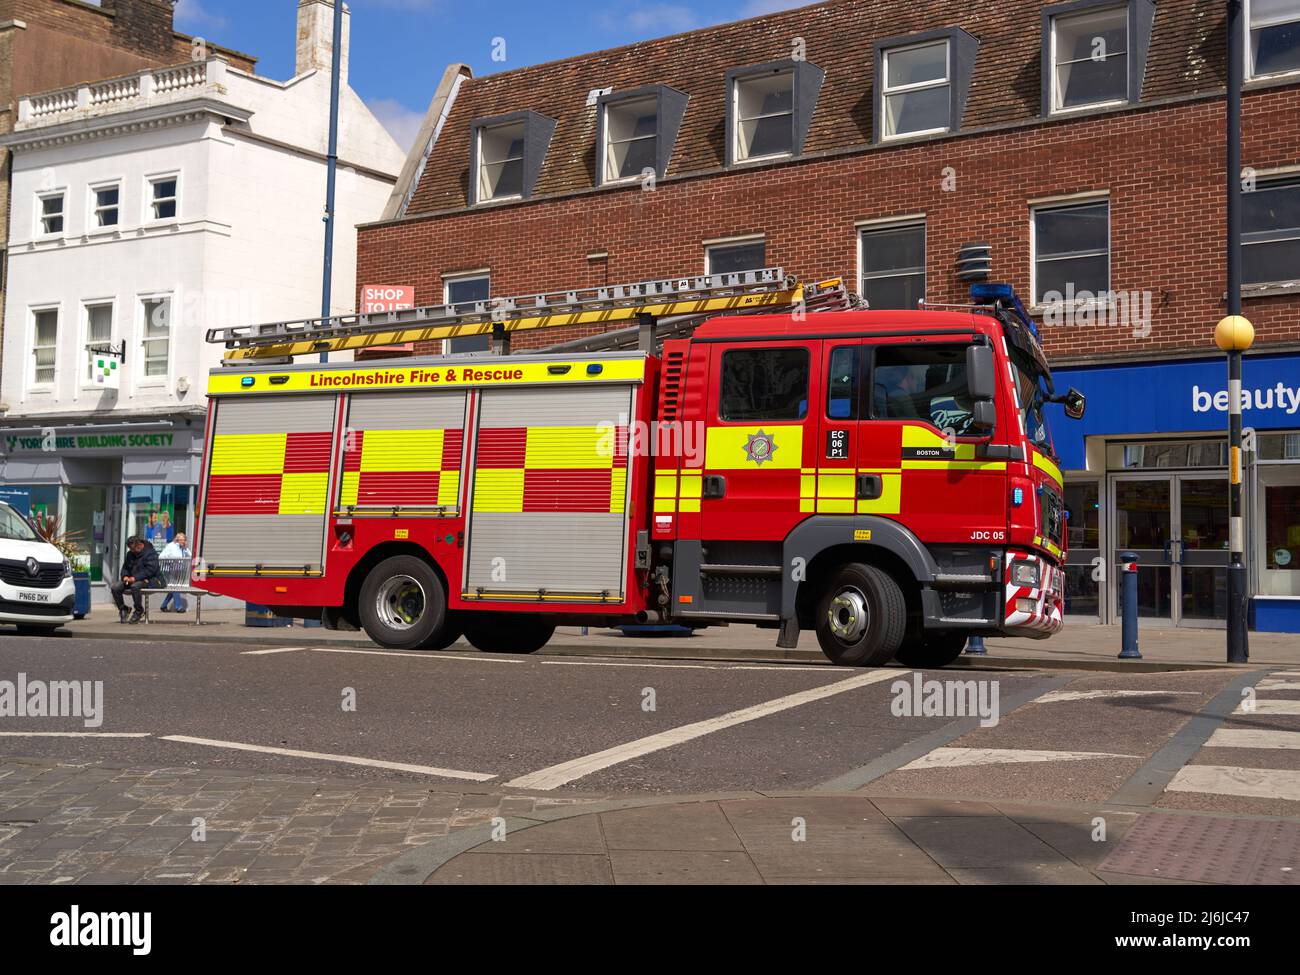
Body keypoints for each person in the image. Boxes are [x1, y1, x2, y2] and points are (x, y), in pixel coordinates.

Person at [111, 536, 162, 624]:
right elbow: (125, 568)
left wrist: (135, 578)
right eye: (131, 549)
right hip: (132, 579)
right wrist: (125, 576)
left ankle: (139, 611)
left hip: (151, 580)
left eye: (134, 549)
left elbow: (150, 570)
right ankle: (123, 609)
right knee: (115, 587)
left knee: (135, 586)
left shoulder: (151, 553)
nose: (132, 551)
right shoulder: (130, 554)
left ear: (140, 545)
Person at [158, 532, 191, 613]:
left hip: (179, 570)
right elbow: (161, 556)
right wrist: (171, 559)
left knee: (173, 588)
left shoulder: (183, 548)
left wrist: (186, 548)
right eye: (181, 540)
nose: (183, 541)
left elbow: (190, 556)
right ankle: (178, 607)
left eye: (184, 540)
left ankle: (163, 605)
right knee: (175, 587)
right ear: (177, 540)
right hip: (169, 569)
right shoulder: (171, 546)